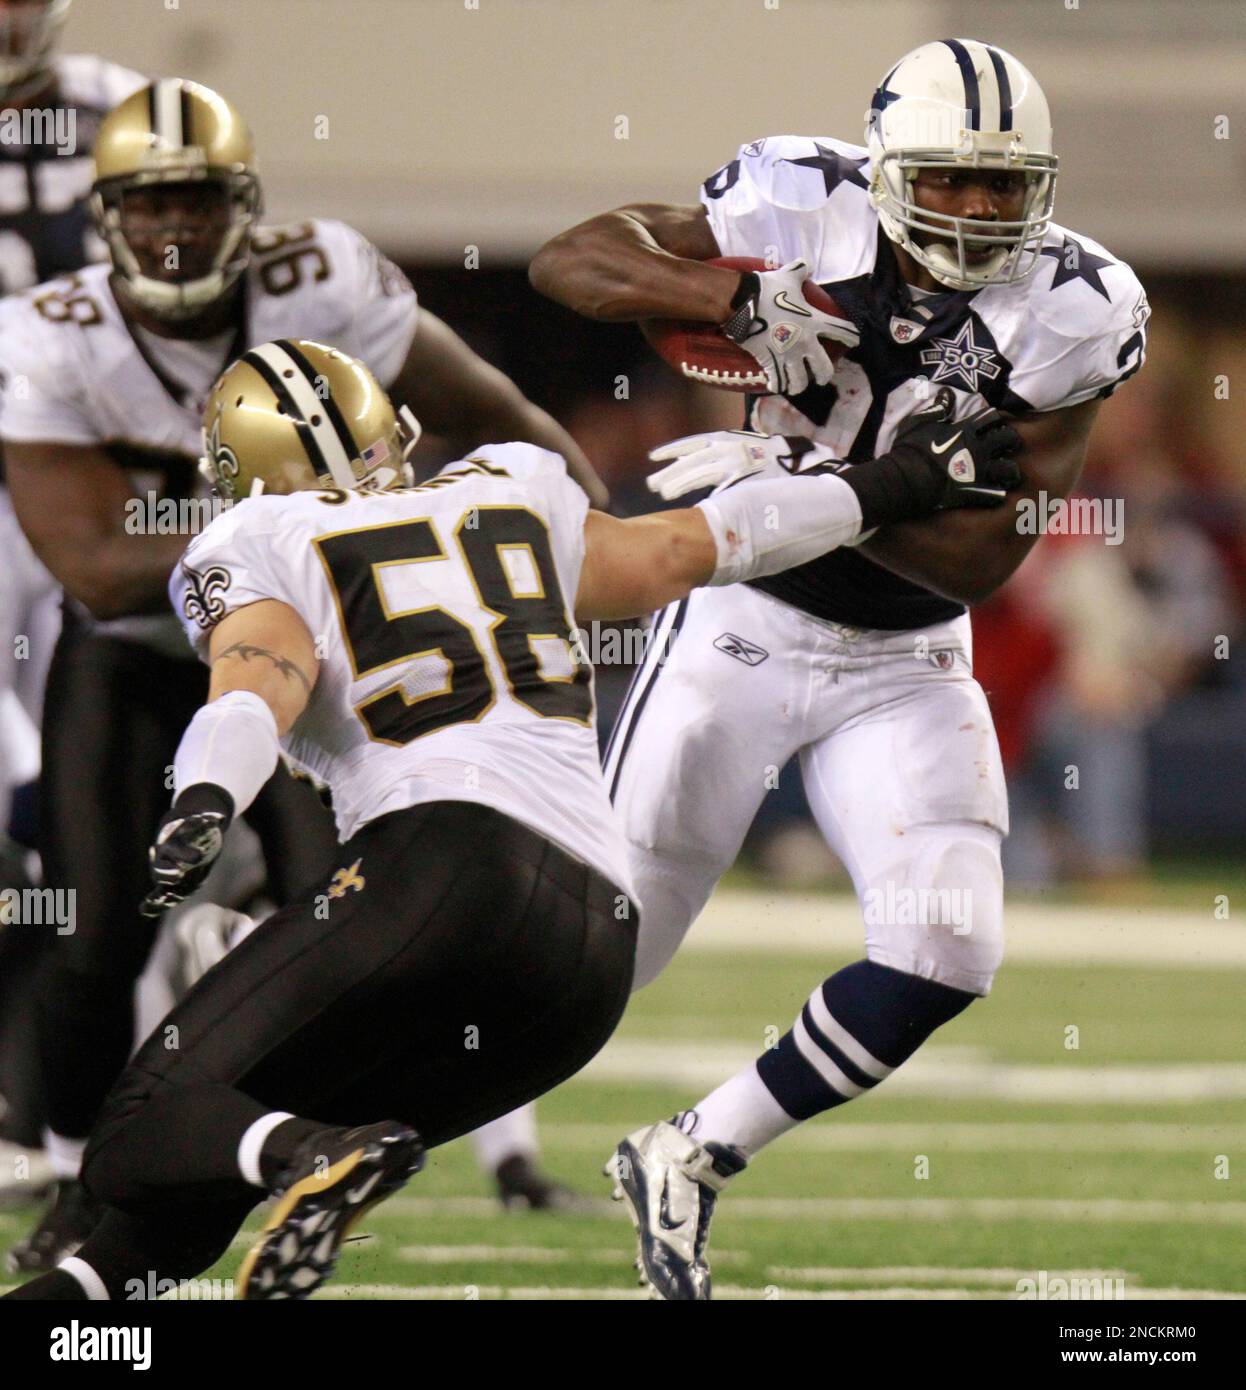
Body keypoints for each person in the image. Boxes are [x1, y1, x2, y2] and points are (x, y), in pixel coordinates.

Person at [4, 333, 1019, 1299]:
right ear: (387, 431)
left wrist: (204, 797)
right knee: (164, 1220)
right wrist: (901, 482)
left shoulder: (255, 534)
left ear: (240, 475)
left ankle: (319, 1153)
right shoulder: (510, 484)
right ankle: (268, 1182)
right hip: (588, 955)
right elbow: (693, 546)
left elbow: (256, 677)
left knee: (138, 1128)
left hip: (438, 870)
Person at [529, 37, 1148, 1297]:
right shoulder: (797, 197)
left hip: (908, 651)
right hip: (745, 623)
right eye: (950, 179)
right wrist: (733, 299)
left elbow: (980, 557)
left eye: (1004, 183)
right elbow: (568, 261)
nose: (979, 209)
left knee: (946, 947)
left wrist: (820, 486)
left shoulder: (1080, 305)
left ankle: (691, 1151)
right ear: (880, 168)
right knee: (608, 950)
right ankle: (377, 1119)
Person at [0, 76, 603, 1271]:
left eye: (197, 199)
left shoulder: (322, 277)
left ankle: (301, 1147)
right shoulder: (49, 330)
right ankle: (77, 1179)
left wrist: (518, 550)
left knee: (350, 916)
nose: (175, 227)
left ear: (247, 206)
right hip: (132, 660)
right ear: (105, 214)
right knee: (90, 933)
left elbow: (509, 420)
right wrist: (313, 521)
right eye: (150, 202)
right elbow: (98, 566)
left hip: (316, 670)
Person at [0, 0, 145, 1202]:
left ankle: (67, 1102)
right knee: (29, 799)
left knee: (76, 803)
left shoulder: (112, 100)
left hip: (76, 471)